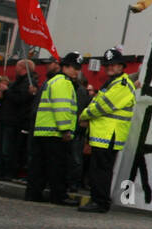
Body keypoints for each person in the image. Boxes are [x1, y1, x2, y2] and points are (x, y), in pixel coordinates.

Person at [78, 48, 137, 213]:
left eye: (114, 65)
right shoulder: (113, 83)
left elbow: (104, 106)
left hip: (109, 134)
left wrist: (84, 115)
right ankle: (98, 199)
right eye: (108, 65)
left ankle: (100, 201)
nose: (110, 68)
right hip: (104, 134)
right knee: (99, 169)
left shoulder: (122, 84)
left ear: (121, 67)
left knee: (101, 170)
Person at [26, 52, 82, 206]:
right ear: (65, 67)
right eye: (74, 67)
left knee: (40, 166)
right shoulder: (64, 82)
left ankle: (34, 194)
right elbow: (62, 107)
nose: (76, 71)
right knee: (58, 167)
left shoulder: (53, 80)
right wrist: (65, 130)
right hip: (55, 132)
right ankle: (59, 196)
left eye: (78, 68)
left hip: (43, 130)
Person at [0, 59, 39, 181]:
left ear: (23, 68)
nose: (15, 69)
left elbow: (20, 99)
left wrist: (7, 91)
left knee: (7, 149)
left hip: (14, 121)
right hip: (4, 118)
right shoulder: (16, 83)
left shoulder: (29, 84)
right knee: (0, 149)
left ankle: (7, 173)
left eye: (17, 67)